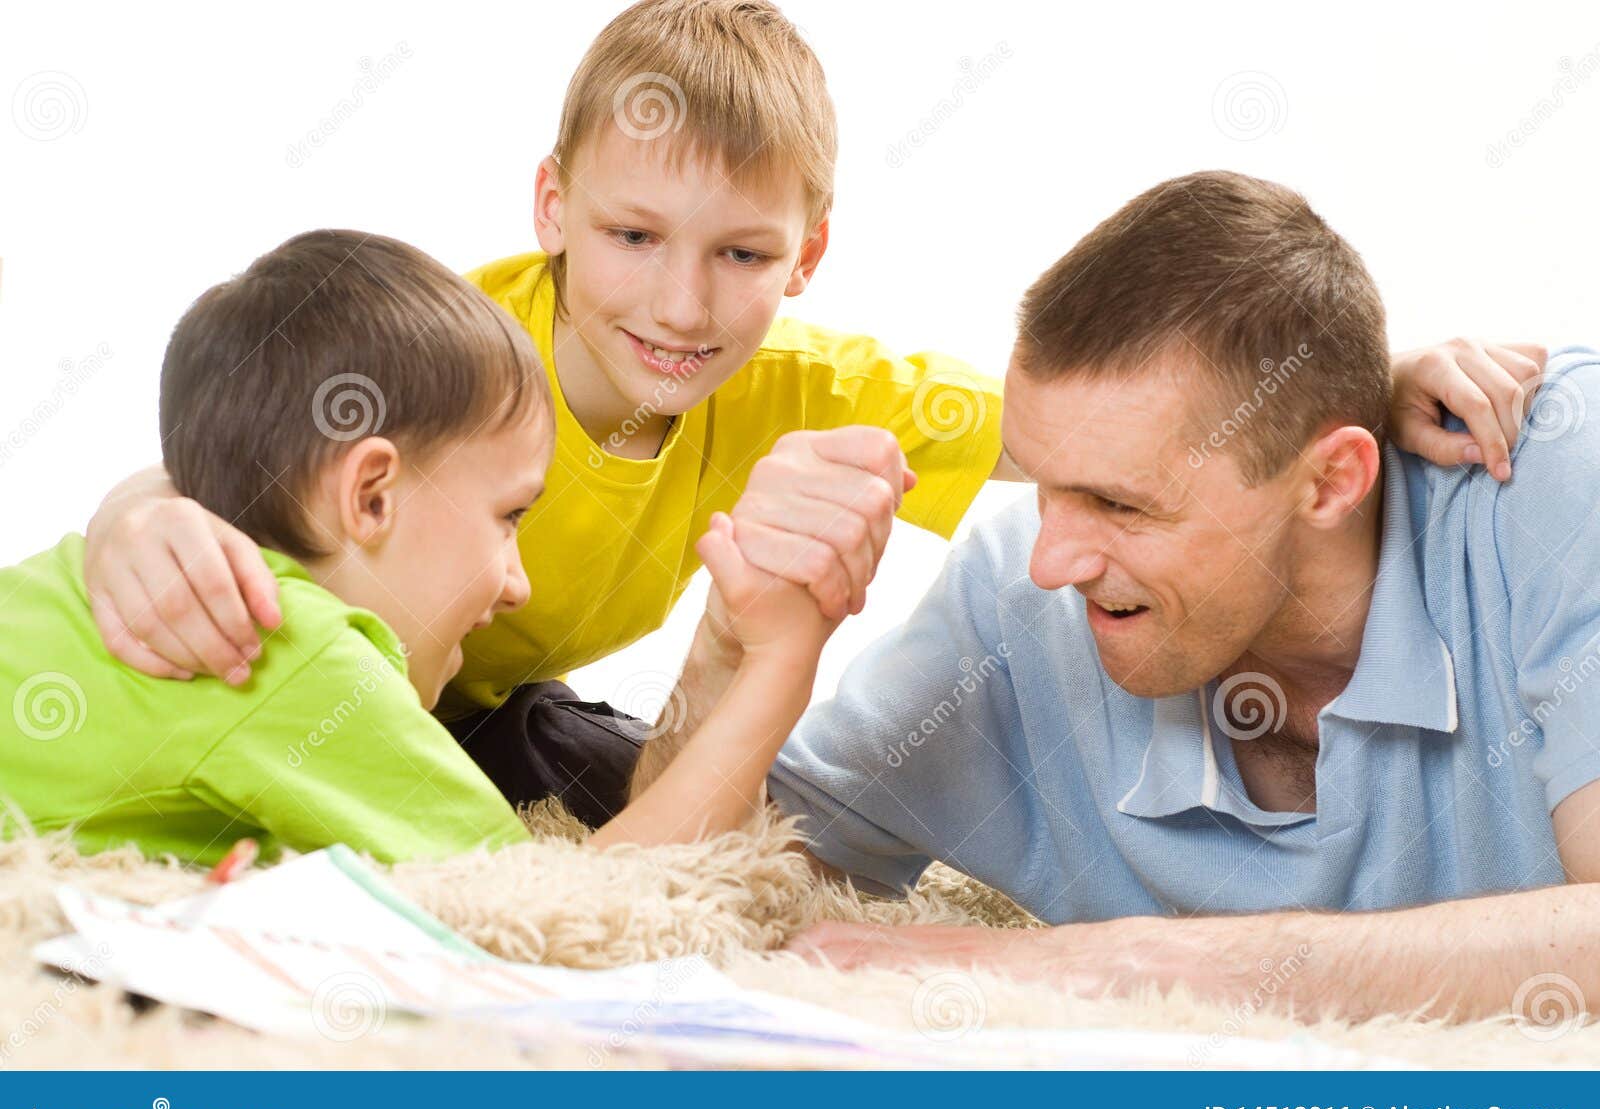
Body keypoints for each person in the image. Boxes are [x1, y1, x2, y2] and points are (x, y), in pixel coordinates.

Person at [76, 0, 1539, 827]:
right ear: (553, 209)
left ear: (809, 255)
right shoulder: (456, 347)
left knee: (703, 816)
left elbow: (1123, 443)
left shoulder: (809, 389)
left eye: (743, 257)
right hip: (342, 672)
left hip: (483, 713)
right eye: (633, 237)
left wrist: (1358, 376)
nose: (682, 307)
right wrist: (132, 520)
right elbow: (252, 453)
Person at [641, 172, 1597, 1023]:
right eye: (1045, 484)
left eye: (1118, 503)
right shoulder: (1017, 591)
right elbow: (679, 893)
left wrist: (1130, 964)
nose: (1055, 560)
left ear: (1332, 481)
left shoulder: (1554, 476)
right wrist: (735, 643)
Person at [0, 230, 833, 866]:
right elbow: (567, 918)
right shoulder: (293, 652)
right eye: (509, 516)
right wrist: (774, 665)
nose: (517, 583)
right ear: (369, 495)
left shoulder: (87, 577)